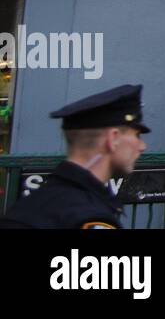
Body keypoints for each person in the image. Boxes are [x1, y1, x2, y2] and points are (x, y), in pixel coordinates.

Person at [0, 84, 149, 229]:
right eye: (136, 135)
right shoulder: (89, 216)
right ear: (113, 139)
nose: (142, 146)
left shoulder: (27, 207)